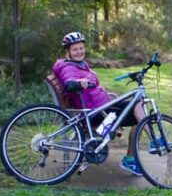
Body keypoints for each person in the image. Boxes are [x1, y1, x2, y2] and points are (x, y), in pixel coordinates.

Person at [53, 31, 146, 176]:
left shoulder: (79, 64)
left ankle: (136, 154)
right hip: (95, 113)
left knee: (138, 104)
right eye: (75, 49)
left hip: (102, 107)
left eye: (81, 48)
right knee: (139, 112)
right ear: (68, 52)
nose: (79, 52)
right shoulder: (68, 67)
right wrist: (77, 82)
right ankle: (132, 157)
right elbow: (68, 81)